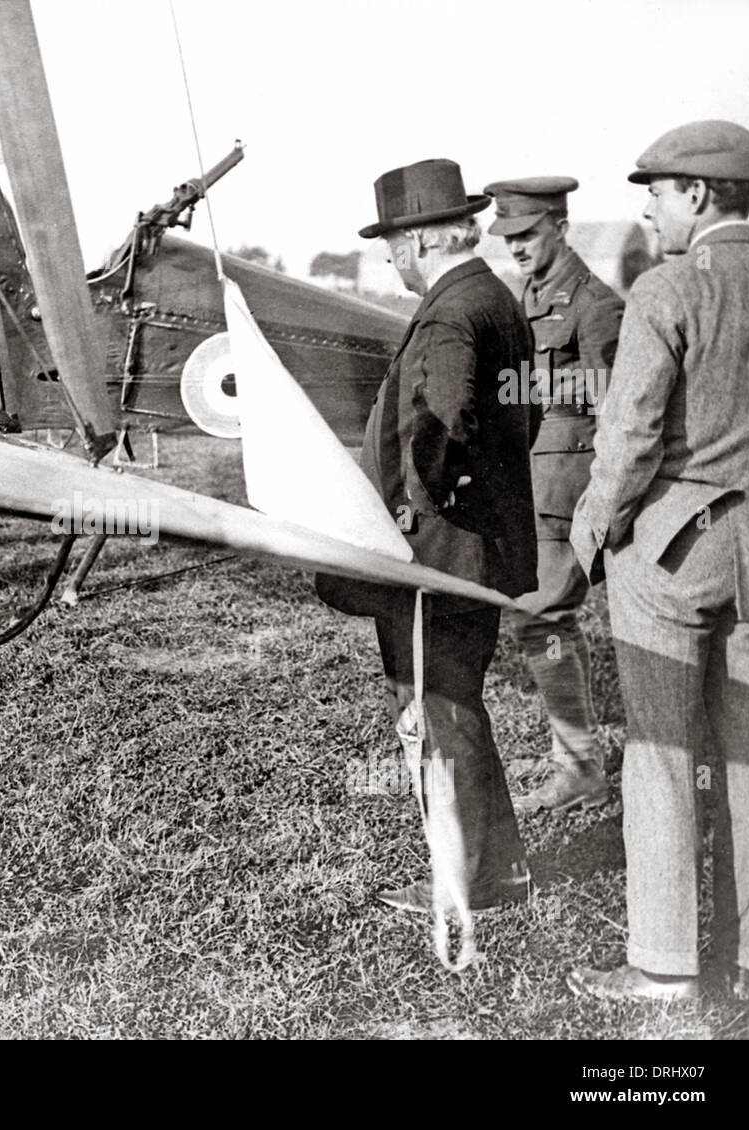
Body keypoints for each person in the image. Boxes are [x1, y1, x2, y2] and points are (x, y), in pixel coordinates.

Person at [317, 158, 542, 913]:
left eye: (392, 246)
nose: (392, 261)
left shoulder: (449, 313)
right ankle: (498, 868)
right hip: (481, 546)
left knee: (435, 707)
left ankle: (465, 878)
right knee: (456, 702)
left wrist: (422, 506)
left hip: (437, 551)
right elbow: (527, 413)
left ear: (418, 240)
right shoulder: (495, 299)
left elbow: (445, 422)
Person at [567, 120, 749, 1002]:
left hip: (675, 553)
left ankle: (665, 964)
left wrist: (589, 537)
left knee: (661, 751)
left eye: (658, 192)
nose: (649, 209)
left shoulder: (668, 287)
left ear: (699, 194)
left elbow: (631, 437)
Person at [482, 177, 624, 813]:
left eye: (527, 234)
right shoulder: (529, 295)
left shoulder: (594, 305)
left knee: (542, 617)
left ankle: (581, 769)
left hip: (568, 491)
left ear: (560, 228)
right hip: (533, 485)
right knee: (538, 619)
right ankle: (577, 762)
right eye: (507, 236)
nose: (515, 246)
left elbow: (619, 408)